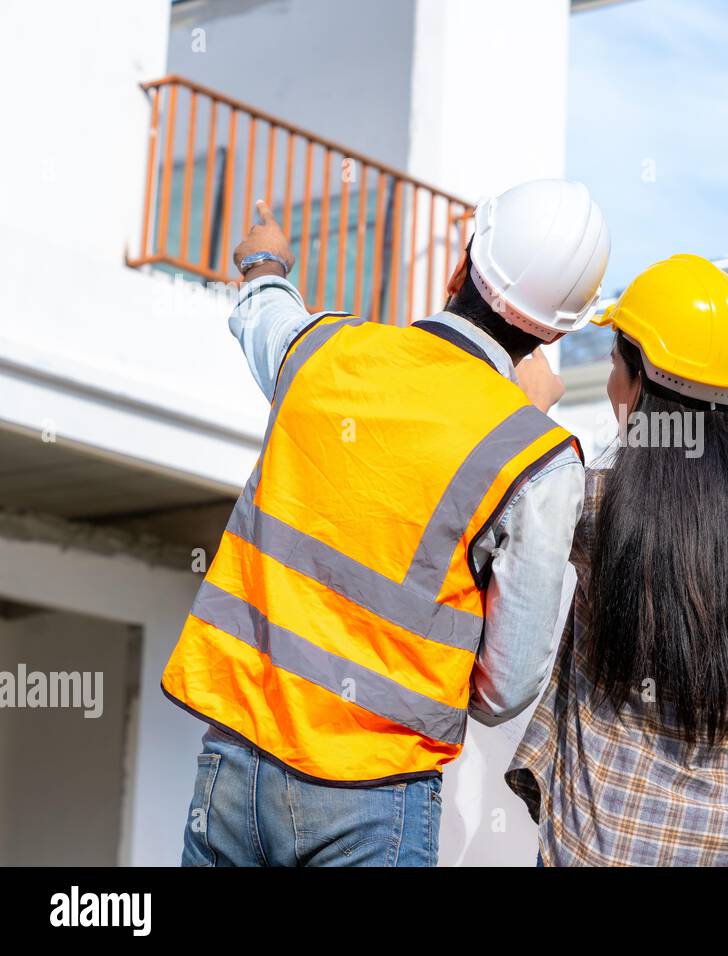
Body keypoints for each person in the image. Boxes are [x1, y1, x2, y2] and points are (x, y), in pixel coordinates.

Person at [165, 179, 608, 866]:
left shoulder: (325, 352)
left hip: (237, 765)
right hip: (375, 798)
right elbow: (506, 687)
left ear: (463, 262)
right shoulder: (538, 461)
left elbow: (263, 318)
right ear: (553, 332)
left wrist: (265, 263)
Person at [506, 254, 728, 866]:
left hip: (610, 847)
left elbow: (520, 509)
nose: (611, 386)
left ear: (640, 381)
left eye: (615, 364)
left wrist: (527, 422)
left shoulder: (602, 506)